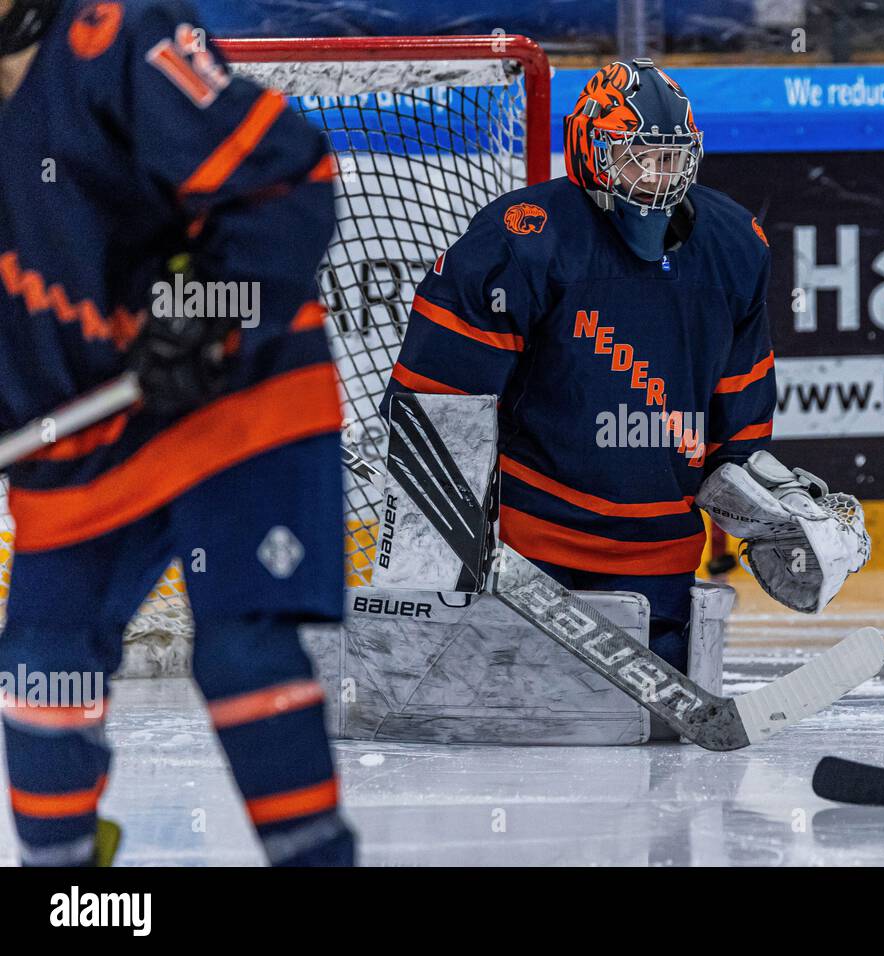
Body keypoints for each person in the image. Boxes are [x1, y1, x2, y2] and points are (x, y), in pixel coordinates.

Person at [0, 0, 353, 865]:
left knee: (241, 653)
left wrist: (203, 312)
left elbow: (286, 178)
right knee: (42, 677)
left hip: (235, 397)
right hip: (75, 438)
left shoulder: (115, 39)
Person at [384, 59, 783, 674]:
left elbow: (742, 416)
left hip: (663, 558)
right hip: (532, 556)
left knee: (643, 725)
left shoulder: (735, 244)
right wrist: (434, 575)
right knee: (522, 705)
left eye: (672, 158)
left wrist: (769, 515)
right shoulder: (521, 237)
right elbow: (436, 406)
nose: (658, 177)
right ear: (590, 150)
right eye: (638, 157)